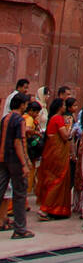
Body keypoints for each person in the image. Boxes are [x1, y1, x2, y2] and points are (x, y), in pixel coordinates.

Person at [0, 94, 34, 238]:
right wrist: (24, 163)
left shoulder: (5, 118)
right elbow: (18, 142)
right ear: (22, 105)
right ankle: (20, 229)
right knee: (19, 194)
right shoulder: (20, 120)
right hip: (15, 160)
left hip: (2, 159)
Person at [36, 96, 73, 218]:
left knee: (52, 180)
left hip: (52, 153)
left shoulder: (53, 118)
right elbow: (65, 136)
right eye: (63, 105)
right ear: (59, 107)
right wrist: (70, 126)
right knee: (58, 180)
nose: (64, 107)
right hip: (57, 154)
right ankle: (46, 208)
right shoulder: (58, 119)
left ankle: (53, 208)